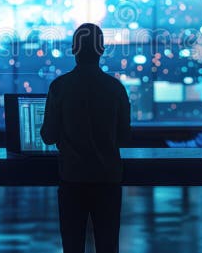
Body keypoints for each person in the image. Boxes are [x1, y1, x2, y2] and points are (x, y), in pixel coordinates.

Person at [41, 23, 132, 253]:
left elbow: (48, 136)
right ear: (101, 50)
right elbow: (124, 137)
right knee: (108, 245)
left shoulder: (59, 87)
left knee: (72, 246)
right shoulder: (116, 88)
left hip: (72, 179)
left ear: (74, 49)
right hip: (108, 180)